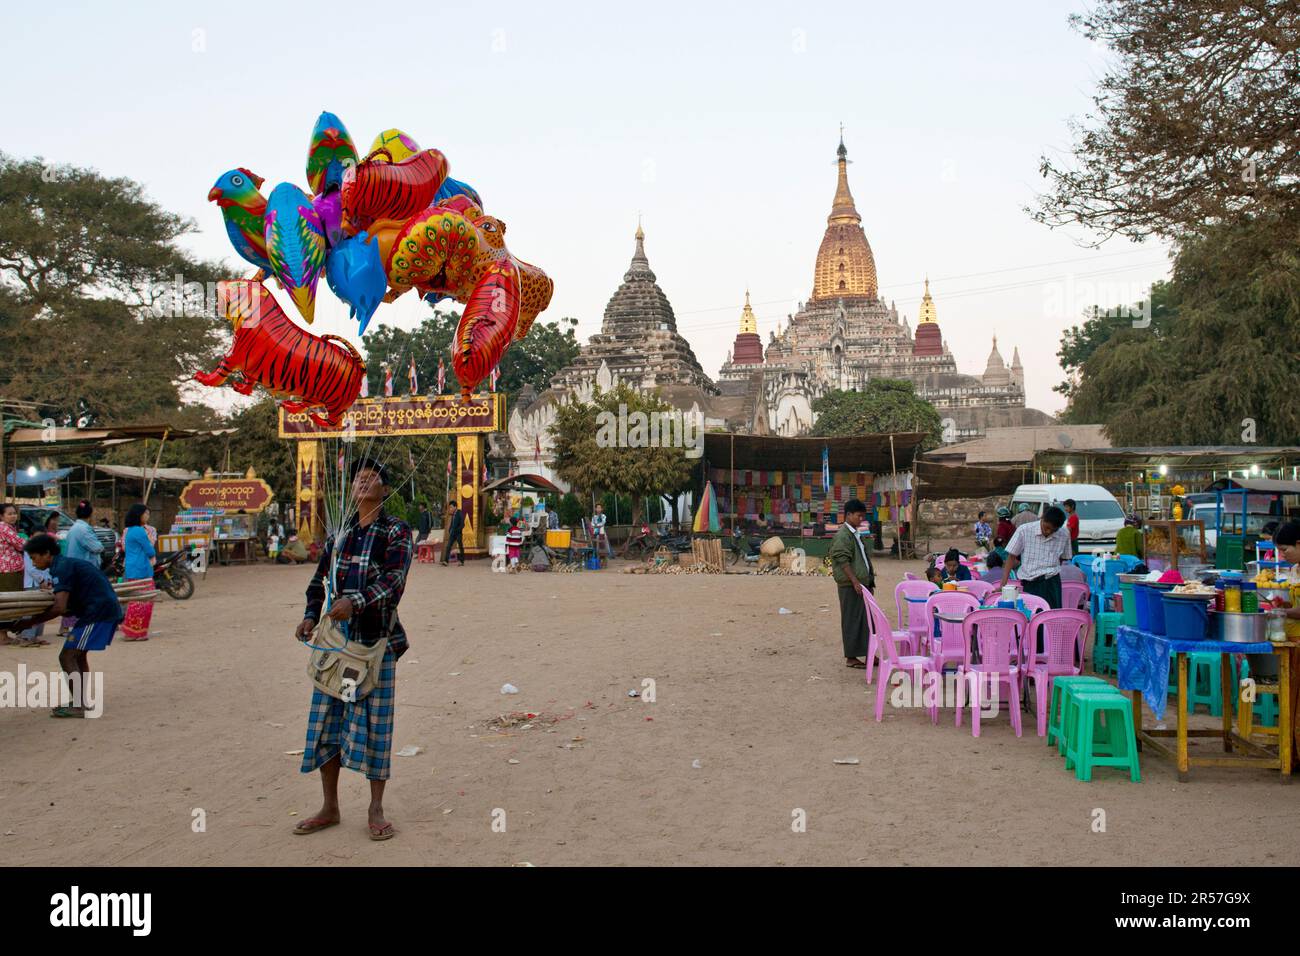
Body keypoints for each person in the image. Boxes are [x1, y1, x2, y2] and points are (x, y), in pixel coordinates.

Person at [293, 458, 412, 842]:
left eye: (372, 476)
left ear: (385, 488)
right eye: (358, 476)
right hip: (336, 647)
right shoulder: (340, 535)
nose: (363, 480)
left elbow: (394, 583)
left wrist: (356, 602)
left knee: (377, 728)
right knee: (328, 723)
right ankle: (330, 806)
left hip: (375, 645)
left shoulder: (396, 531)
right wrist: (311, 615)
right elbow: (319, 581)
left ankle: (375, 807)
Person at [13, 533, 124, 717]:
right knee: (77, 656)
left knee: (67, 656)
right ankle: (80, 702)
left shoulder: (62, 567)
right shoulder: (65, 564)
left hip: (98, 613)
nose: (32, 563)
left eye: (34, 558)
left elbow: (59, 607)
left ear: (47, 553)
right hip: (99, 610)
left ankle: (79, 706)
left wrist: (28, 622)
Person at [828, 498, 875, 669]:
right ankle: (851, 657)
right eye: (858, 516)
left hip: (862, 585)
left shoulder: (854, 533)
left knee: (866, 620)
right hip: (850, 586)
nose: (861, 519)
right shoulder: (843, 535)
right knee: (852, 620)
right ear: (848, 515)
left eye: (862, 516)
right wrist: (855, 581)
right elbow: (842, 559)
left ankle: (870, 652)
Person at [1000, 505, 1072, 609]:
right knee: (1032, 617)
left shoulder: (1064, 534)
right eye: (1047, 528)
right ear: (1042, 518)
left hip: (1052, 582)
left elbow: (1063, 558)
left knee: (1052, 617)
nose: (1048, 532)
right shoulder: (1024, 530)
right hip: (1031, 582)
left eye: (1053, 530)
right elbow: (1011, 556)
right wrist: (1003, 583)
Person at [119, 504, 156, 642]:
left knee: (135, 601)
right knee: (144, 601)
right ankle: (138, 632)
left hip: (131, 568)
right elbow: (150, 551)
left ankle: (132, 631)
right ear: (138, 515)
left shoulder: (128, 531)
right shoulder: (140, 531)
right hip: (141, 569)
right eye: (145, 513)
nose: (147, 516)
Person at [0, 503, 28, 646]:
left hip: (7, 570)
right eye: (9, 513)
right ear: (1, 516)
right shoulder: (4, 528)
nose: (13, 516)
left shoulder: (7, 528)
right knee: (7, 603)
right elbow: (21, 544)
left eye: (14, 513)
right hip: (8, 571)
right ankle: (2, 635)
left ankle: (3, 634)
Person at [441, 501, 465, 566]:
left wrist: (457, 530)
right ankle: (446, 561)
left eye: (451, 507)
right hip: (452, 534)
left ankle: (462, 561)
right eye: (449, 507)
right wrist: (450, 530)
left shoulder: (459, 513)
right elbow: (452, 523)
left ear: (455, 507)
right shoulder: (453, 514)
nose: (450, 509)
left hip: (458, 533)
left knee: (460, 546)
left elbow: (462, 524)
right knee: (448, 546)